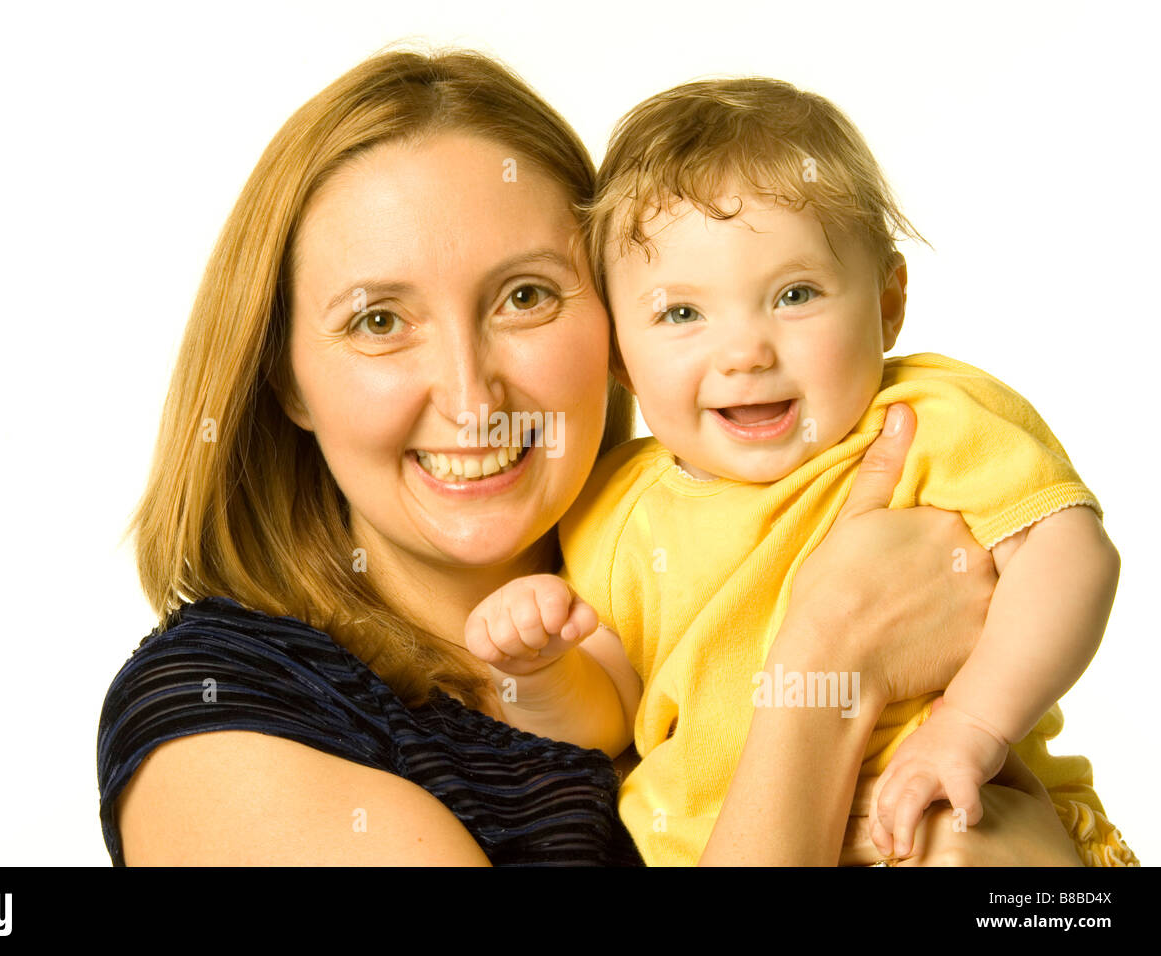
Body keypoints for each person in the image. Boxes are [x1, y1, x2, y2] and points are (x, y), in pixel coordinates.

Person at [97, 48, 1093, 866]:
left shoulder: (677, 568)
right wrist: (828, 656)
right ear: (285, 382)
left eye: (524, 296)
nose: (472, 392)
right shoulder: (225, 722)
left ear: (615, 330)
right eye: (379, 319)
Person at [464, 76, 1139, 867]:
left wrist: (973, 727)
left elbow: (1071, 559)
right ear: (619, 354)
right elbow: (613, 708)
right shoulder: (619, 511)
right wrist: (542, 670)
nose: (745, 351)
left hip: (961, 827)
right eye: (682, 313)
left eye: (794, 294)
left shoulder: (927, 419)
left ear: (888, 304)